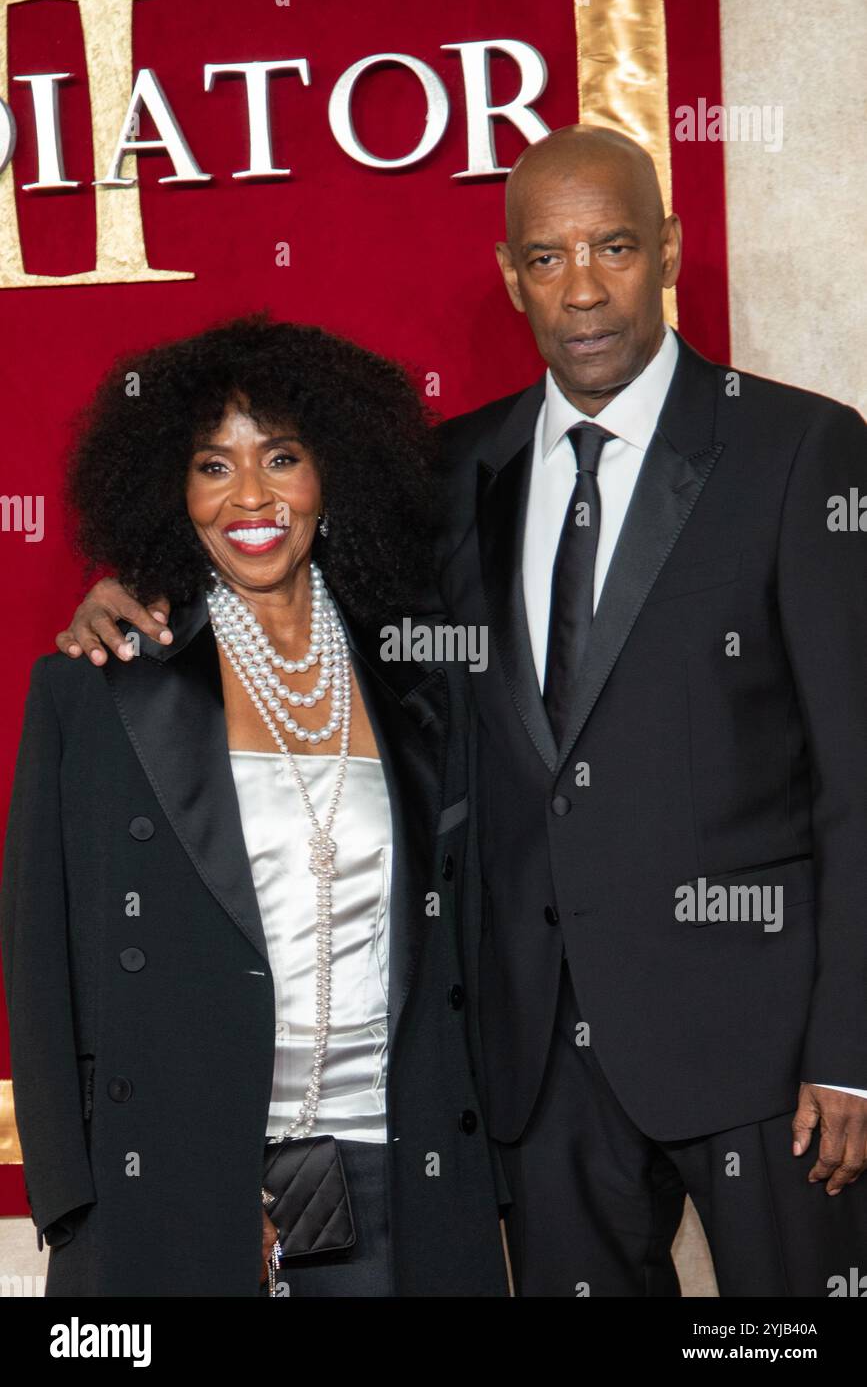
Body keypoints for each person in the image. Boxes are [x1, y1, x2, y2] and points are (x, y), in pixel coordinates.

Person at [51, 125, 867, 1298]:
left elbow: (856, 771)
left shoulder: (801, 450)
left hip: (767, 1057)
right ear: (509, 275)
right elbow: (282, 571)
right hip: (532, 1069)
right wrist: (138, 591)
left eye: (615, 246)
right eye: (547, 257)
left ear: (672, 250)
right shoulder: (453, 473)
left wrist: (851, 1047)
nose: (581, 288)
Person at [0, 315, 510, 1297]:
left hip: (401, 1165)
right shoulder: (95, 686)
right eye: (210, 464)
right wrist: (70, 1198)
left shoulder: (422, 681)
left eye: (281, 456)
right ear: (168, 490)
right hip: (178, 1180)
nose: (251, 496)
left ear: (337, 471)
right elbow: (38, 948)